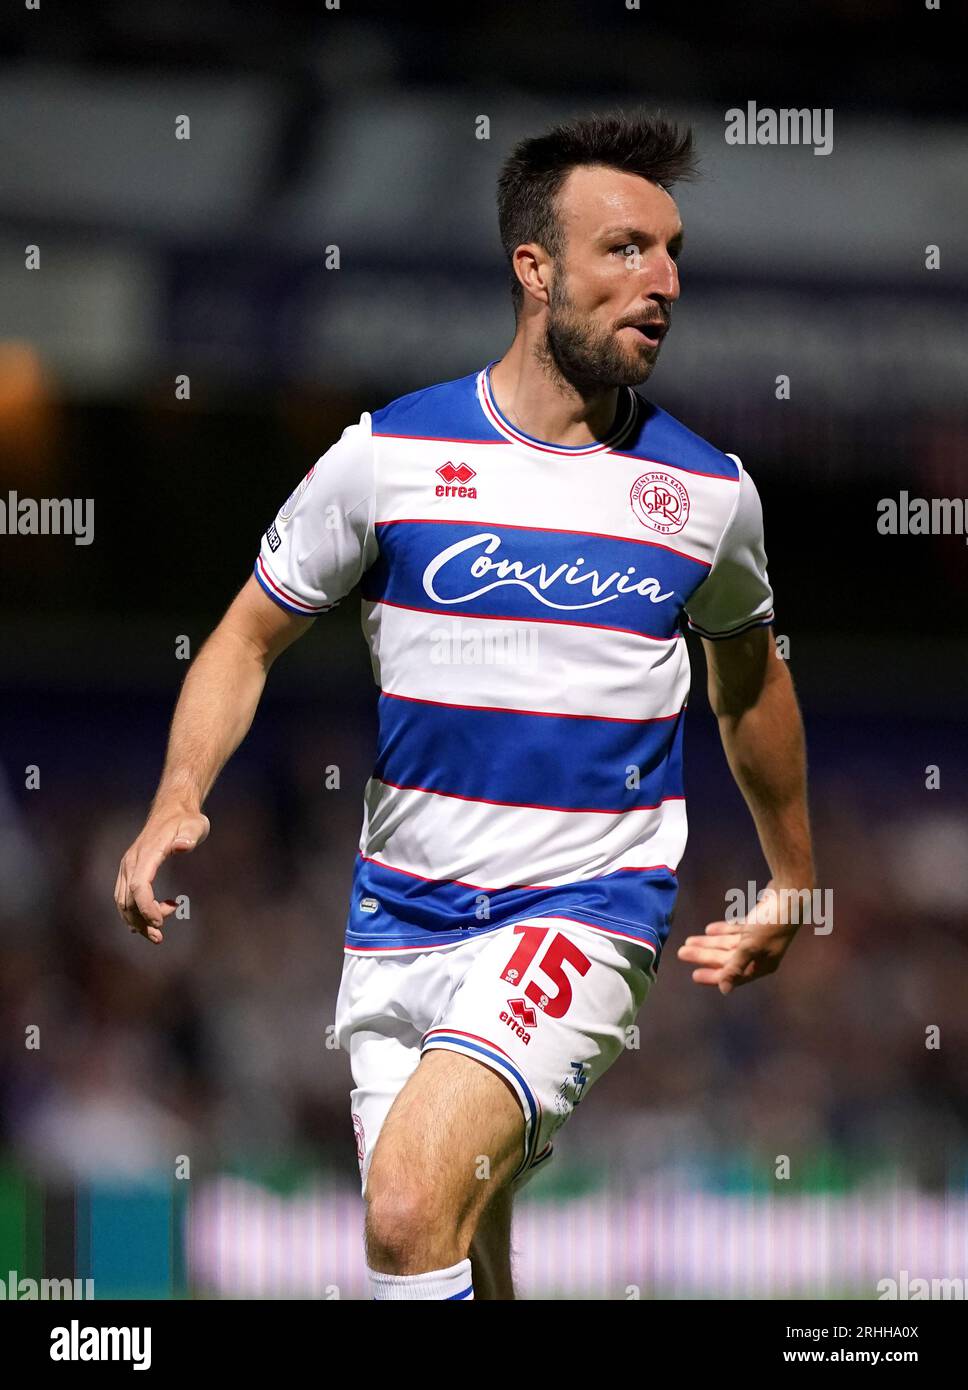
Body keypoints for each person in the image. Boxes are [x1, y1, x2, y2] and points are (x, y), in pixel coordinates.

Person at [115, 109, 815, 1302]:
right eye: (627, 249)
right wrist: (176, 794)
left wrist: (794, 875)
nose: (665, 281)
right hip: (395, 927)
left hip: (581, 909)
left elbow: (745, 675)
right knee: (451, 1247)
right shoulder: (384, 458)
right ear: (533, 269)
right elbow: (244, 632)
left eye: (672, 250)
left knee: (403, 1207)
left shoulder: (706, 492)